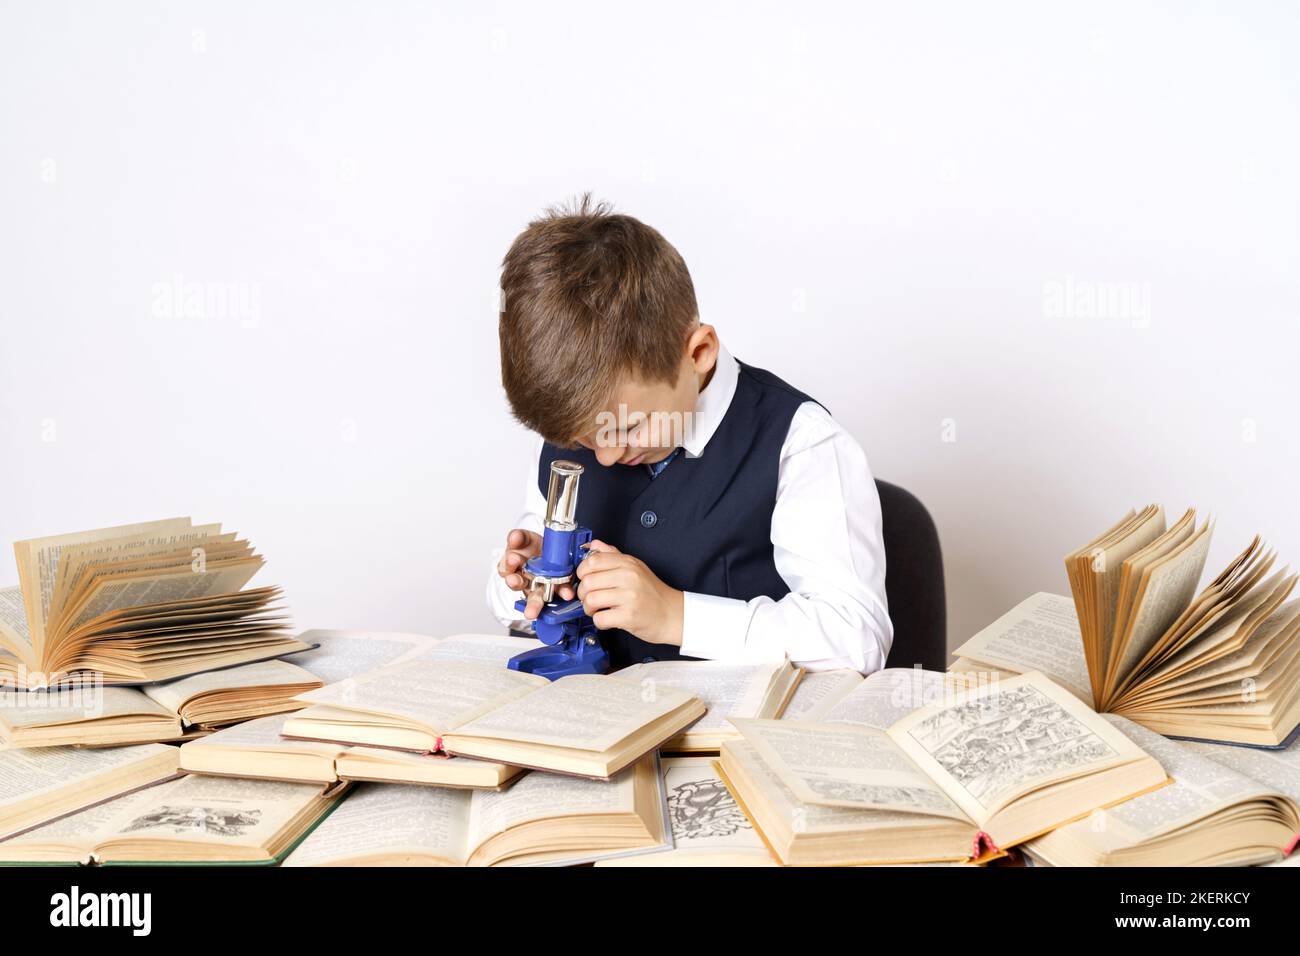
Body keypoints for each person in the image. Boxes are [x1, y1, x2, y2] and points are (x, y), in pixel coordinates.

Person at [486, 195, 892, 674]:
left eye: (630, 427)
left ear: (698, 353)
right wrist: (532, 577)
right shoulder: (585, 422)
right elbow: (517, 591)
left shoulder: (800, 444)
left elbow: (857, 635)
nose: (608, 456)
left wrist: (675, 615)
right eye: (585, 441)